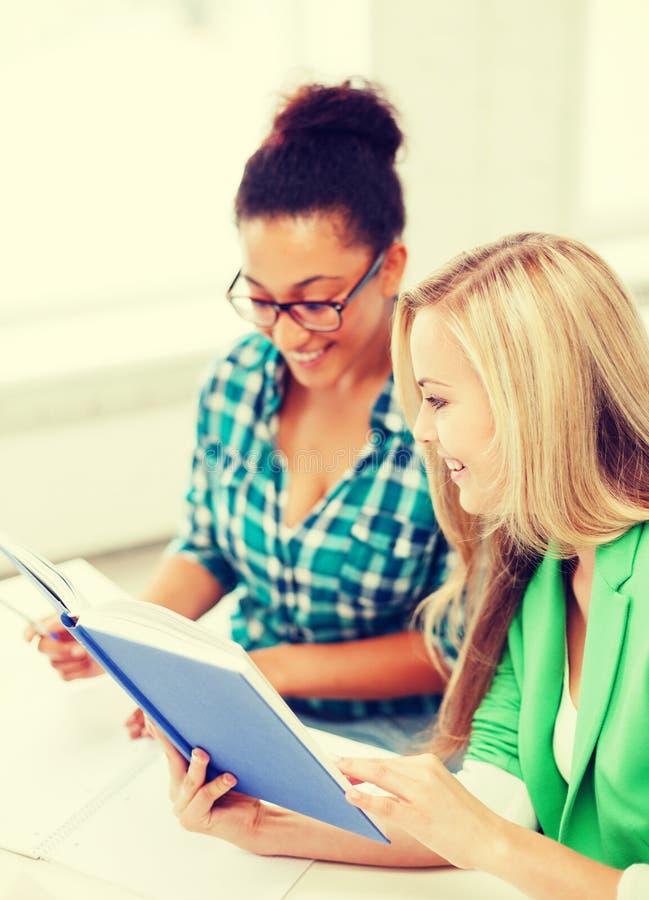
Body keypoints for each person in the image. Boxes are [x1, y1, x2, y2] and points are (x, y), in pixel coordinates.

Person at [149, 233, 649, 898]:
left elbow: (486, 834)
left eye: (437, 399)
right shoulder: (543, 565)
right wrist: (264, 826)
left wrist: (489, 842)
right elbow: (491, 803)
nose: (419, 430)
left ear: (532, 399)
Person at [26, 80, 460, 753]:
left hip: (403, 743)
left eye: (316, 302)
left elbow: (458, 644)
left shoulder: (447, 414)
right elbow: (208, 545)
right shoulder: (234, 382)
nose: (288, 336)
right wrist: (125, 636)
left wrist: (264, 670)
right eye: (261, 300)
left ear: (389, 267)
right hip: (253, 712)